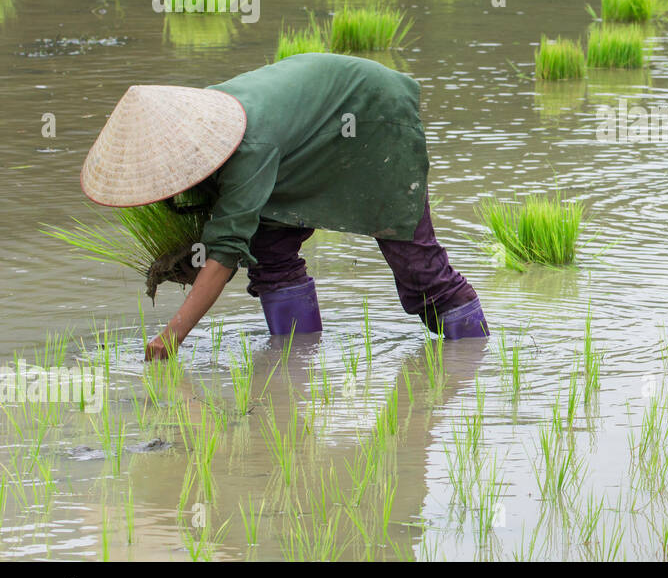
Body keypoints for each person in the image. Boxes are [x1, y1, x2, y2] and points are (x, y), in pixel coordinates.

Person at [78, 53, 488, 360]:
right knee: (270, 254)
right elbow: (225, 224)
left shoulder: (243, 143)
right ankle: (295, 365)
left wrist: (172, 336)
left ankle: (475, 365)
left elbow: (225, 253)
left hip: (372, 114)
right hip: (301, 139)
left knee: (417, 264)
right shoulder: (201, 122)